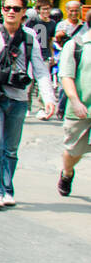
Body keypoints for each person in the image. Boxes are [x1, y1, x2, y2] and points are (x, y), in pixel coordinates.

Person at [0, 0, 57, 209]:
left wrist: (48, 98)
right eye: (7, 8)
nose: (11, 12)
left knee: (11, 149)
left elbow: (40, 69)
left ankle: (7, 189)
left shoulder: (30, 37)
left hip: (19, 99)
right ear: (2, 11)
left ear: (24, 12)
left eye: (16, 9)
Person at [56, 16, 91, 197]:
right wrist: (75, 101)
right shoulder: (76, 45)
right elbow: (66, 76)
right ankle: (67, 172)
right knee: (73, 151)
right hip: (82, 109)